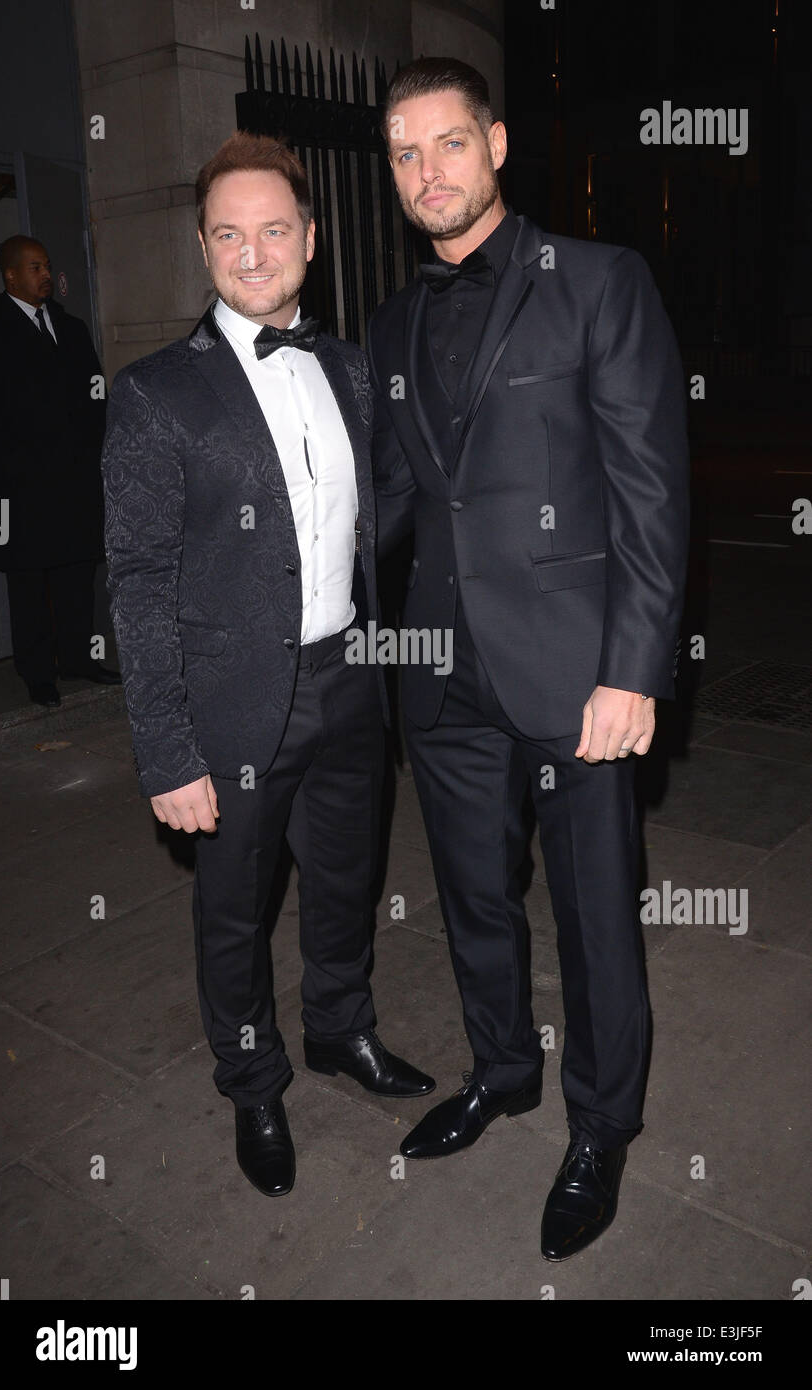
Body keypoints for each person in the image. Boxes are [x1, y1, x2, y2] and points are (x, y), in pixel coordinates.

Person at [368, 57, 689, 1260]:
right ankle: (504, 1070)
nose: (427, 172)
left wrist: (635, 668)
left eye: (448, 144)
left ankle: (601, 1126)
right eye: (404, 153)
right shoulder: (395, 318)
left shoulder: (599, 282)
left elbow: (653, 493)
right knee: (471, 900)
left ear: (495, 145)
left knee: (595, 914)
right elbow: (394, 499)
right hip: (442, 678)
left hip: (576, 677)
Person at [101, 132, 434, 1200]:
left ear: (311, 238)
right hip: (233, 707)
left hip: (348, 680)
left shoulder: (345, 366)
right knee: (234, 909)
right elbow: (140, 579)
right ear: (204, 248)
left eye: (274, 230)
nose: (254, 254)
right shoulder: (157, 394)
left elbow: (372, 516)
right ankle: (252, 1077)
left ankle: (340, 1029)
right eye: (229, 235)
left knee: (346, 881)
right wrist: (165, 749)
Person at [0, 236, 119, 706]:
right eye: (35, 267)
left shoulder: (71, 326)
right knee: (26, 580)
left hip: (74, 480)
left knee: (75, 576)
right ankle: (37, 674)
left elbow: (95, 392)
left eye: (47, 265)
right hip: (17, 486)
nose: (46, 275)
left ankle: (79, 660)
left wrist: (97, 452)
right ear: (11, 276)